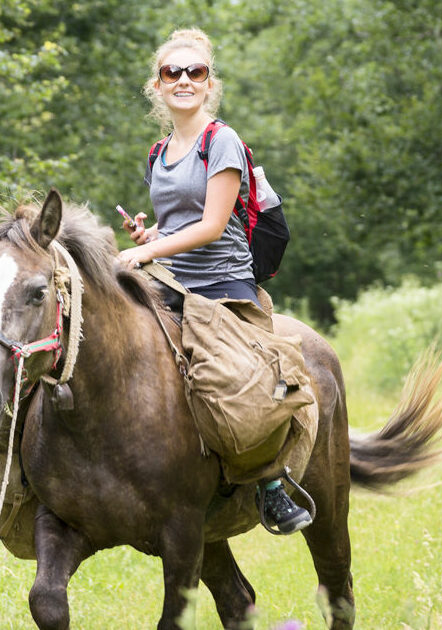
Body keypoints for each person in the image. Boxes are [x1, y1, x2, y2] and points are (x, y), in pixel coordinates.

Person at [116, 29, 312, 535]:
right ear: (156, 86)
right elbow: (181, 220)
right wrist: (148, 233)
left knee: (238, 387)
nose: (183, 80)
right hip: (173, 282)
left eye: (194, 72)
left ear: (208, 84)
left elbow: (210, 225)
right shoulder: (159, 151)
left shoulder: (219, 140)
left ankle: (270, 485)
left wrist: (144, 250)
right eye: (171, 73)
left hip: (224, 284)